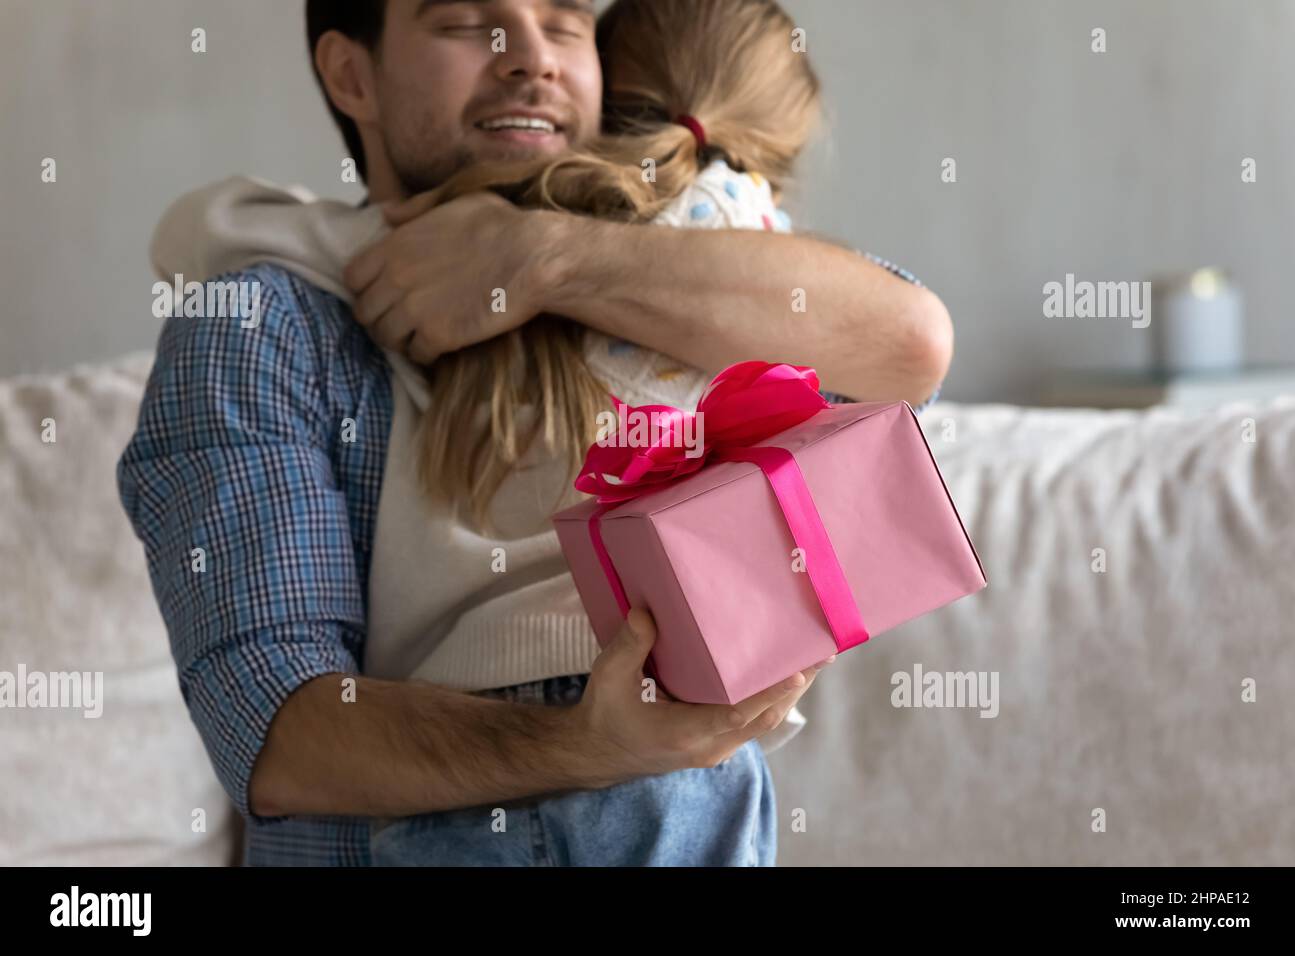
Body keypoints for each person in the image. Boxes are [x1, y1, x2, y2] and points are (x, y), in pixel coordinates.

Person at [119, 0, 953, 866]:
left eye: (564, 22)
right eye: (462, 22)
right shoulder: (262, 325)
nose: (530, 58)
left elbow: (910, 343)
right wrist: (588, 748)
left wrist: (540, 255)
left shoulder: (680, 257)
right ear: (351, 75)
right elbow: (278, 727)